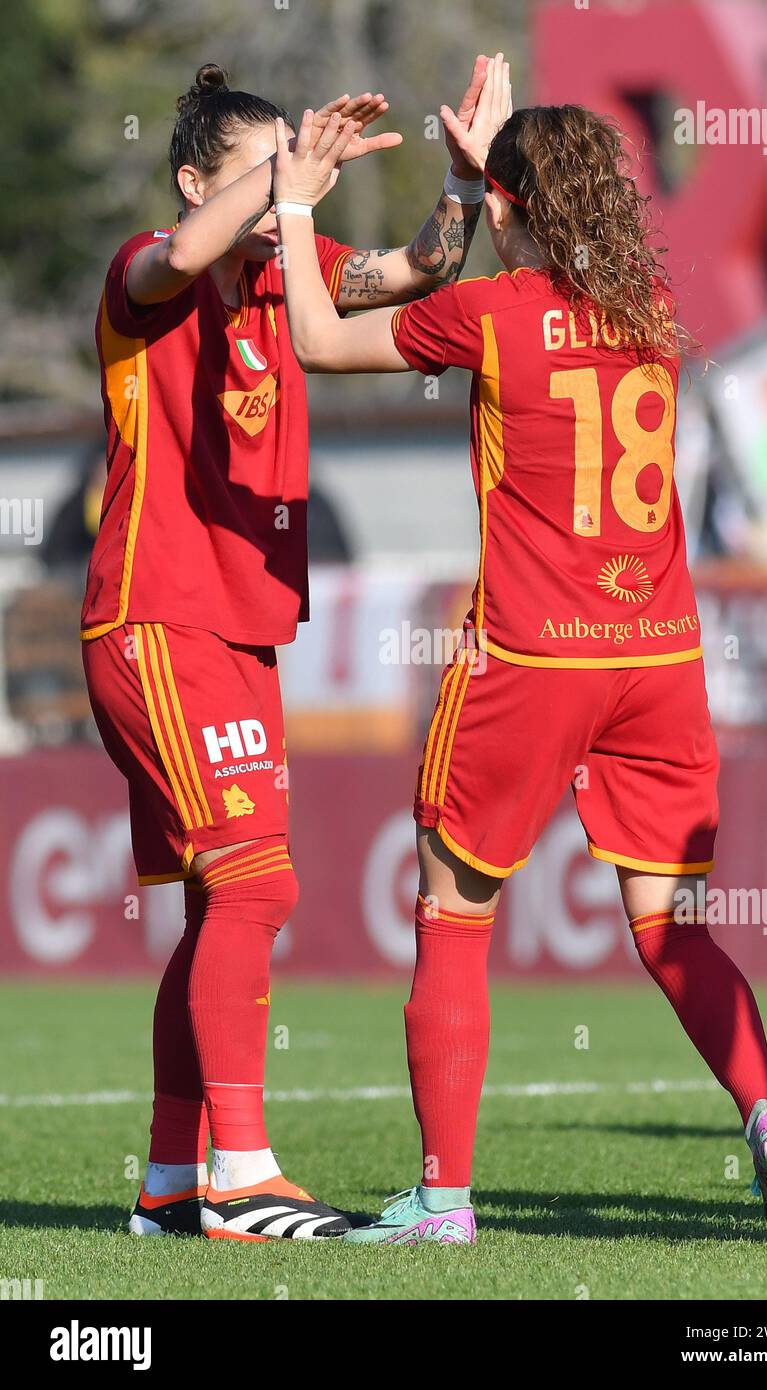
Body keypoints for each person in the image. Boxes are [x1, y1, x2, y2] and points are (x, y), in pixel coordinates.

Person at [270, 68, 767, 1245]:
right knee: (671, 925)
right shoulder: (650, 321)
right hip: (659, 655)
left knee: (450, 908)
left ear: (514, 204)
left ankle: (442, 1202)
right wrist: (487, 185)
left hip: (534, 655)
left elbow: (314, 337)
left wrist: (299, 203)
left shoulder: (489, 315)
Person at [82, 57, 500, 1242]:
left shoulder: (293, 267)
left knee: (221, 895)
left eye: (293, 171)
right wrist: (276, 176)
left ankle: (173, 1182)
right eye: (260, 172)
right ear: (193, 182)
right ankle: (244, 1175)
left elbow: (420, 269)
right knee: (259, 883)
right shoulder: (145, 275)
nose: (284, 196)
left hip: (241, 626)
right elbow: (176, 255)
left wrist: (460, 189)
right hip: (155, 616)